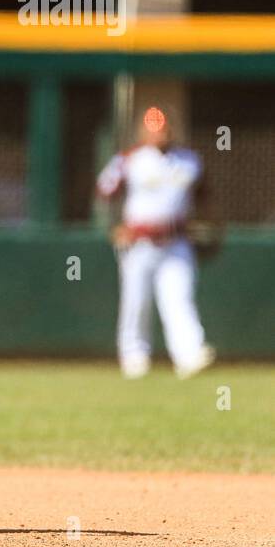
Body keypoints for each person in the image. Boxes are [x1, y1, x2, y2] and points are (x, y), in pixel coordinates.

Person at [97, 106, 215, 379]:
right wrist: (112, 227)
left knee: (179, 298)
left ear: (171, 129)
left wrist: (210, 229)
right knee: (136, 301)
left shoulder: (189, 161)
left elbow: (205, 197)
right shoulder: (129, 159)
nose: (158, 134)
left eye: (162, 128)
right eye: (152, 128)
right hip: (139, 242)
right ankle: (133, 356)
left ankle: (189, 353)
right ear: (142, 131)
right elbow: (104, 193)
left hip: (175, 241)